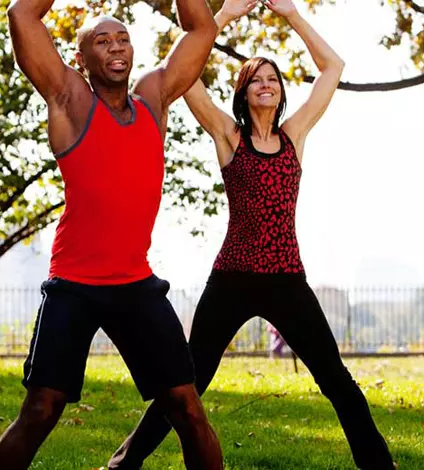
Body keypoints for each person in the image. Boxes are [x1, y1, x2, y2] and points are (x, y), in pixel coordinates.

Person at [108, 1, 395, 469]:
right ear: (244, 92)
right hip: (233, 279)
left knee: (335, 378)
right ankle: (123, 463)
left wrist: (292, 16)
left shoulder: (294, 135)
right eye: (256, 78)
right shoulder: (227, 135)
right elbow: (180, 74)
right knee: (189, 381)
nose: (266, 84)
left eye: (273, 78)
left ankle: (379, 465)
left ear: (281, 93)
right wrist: (224, 18)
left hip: (287, 279)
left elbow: (333, 67)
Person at [0, 1, 225, 469]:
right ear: (82, 60)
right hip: (75, 285)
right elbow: (22, 16)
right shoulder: (70, 100)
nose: (116, 47)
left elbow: (202, 28)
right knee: (41, 409)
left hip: (135, 284)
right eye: (102, 40)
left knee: (186, 405)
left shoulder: (153, 99)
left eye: (122, 38)